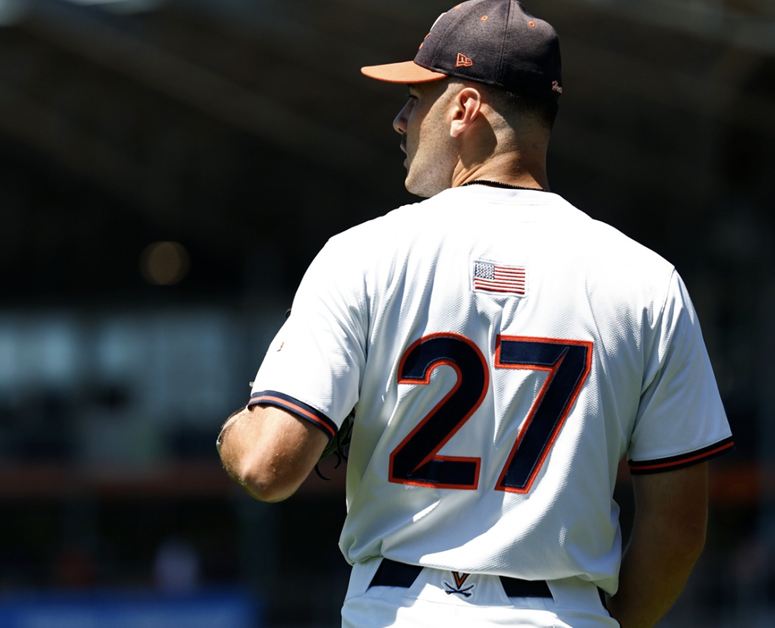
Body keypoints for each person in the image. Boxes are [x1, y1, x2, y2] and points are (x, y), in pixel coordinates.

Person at [216, 1, 734, 626]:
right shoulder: (648, 281)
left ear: (464, 109)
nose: (400, 120)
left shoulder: (364, 254)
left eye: (416, 98)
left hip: (401, 607)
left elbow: (265, 466)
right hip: (562, 612)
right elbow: (678, 529)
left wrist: (235, 430)